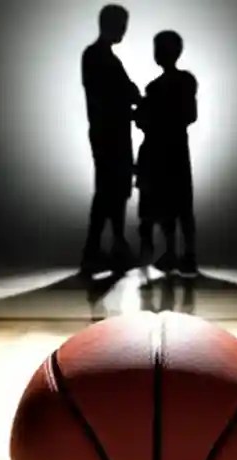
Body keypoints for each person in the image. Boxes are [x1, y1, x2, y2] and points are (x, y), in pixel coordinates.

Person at [80, 5, 141, 276]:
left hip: (112, 131)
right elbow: (120, 94)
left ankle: (113, 246)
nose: (124, 32)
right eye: (122, 26)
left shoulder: (100, 56)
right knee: (109, 190)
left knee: (114, 190)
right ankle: (96, 249)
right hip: (109, 132)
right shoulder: (98, 57)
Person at [134, 30, 198, 277]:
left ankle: (180, 253)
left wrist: (150, 115)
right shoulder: (179, 82)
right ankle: (177, 253)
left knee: (173, 203)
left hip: (164, 148)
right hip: (170, 148)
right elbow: (188, 115)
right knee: (174, 203)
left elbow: (187, 115)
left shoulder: (160, 86)